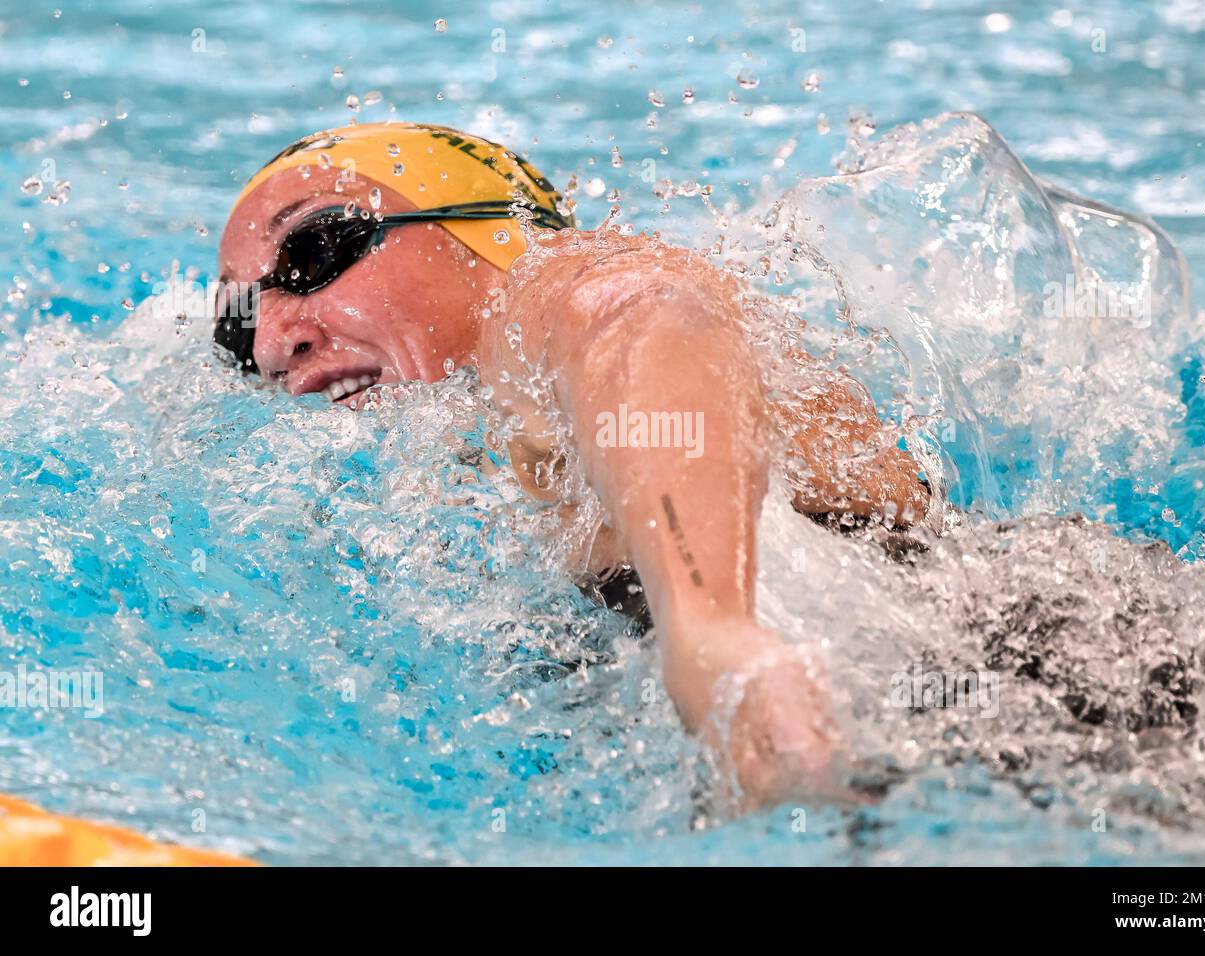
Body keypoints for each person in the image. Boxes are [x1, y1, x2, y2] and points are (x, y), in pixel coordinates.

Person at [216, 122, 930, 806]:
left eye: (312, 254)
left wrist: (711, 629)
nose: (273, 344)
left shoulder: (537, 291)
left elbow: (638, 314)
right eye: (239, 317)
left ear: (485, 232)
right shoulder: (450, 474)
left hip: (953, 655)